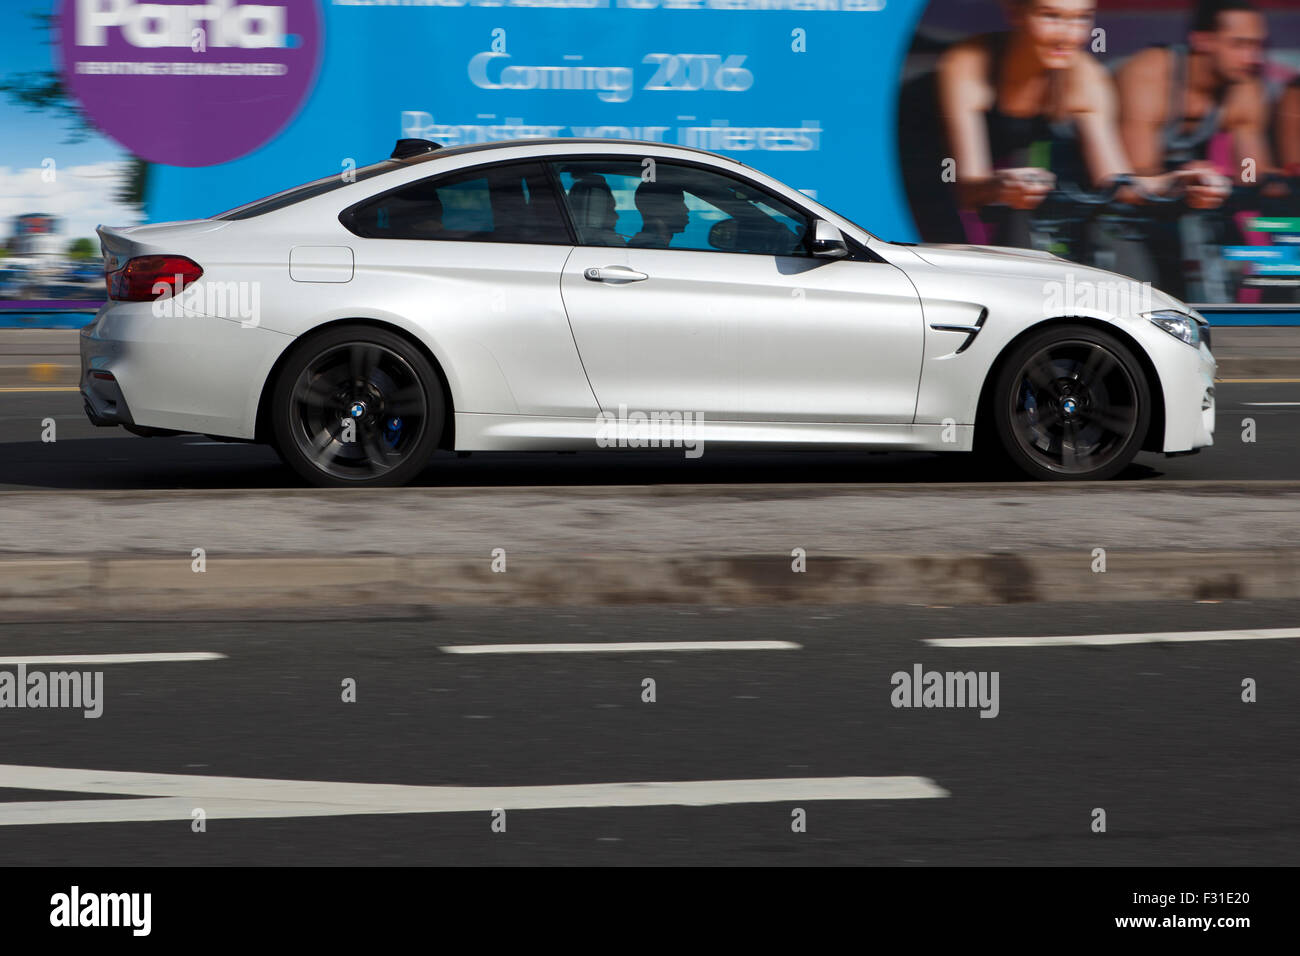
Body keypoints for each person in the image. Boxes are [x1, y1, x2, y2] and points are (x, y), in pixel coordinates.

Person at [936, 0, 1228, 248]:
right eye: (1051, 16)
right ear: (1016, 13)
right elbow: (965, 190)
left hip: (1004, 176)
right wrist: (1002, 186)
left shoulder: (1086, 76)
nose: (1068, 36)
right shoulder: (967, 63)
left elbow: (1117, 186)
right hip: (924, 161)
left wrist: (1179, 181)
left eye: (1081, 19)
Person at [1117, 0, 1274, 184]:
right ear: (1201, 41)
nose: (1253, 58)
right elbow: (1138, 176)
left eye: (1258, 45)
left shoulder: (1244, 85)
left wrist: (1263, 183)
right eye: (1239, 45)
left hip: (1175, 189)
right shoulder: (1148, 75)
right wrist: (1188, 181)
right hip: (1100, 187)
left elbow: (1251, 175)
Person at [629, 180, 690, 248]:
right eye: (679, 203)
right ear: (659, 211)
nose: (686, 209)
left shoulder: (645, 247)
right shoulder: (651, 252)